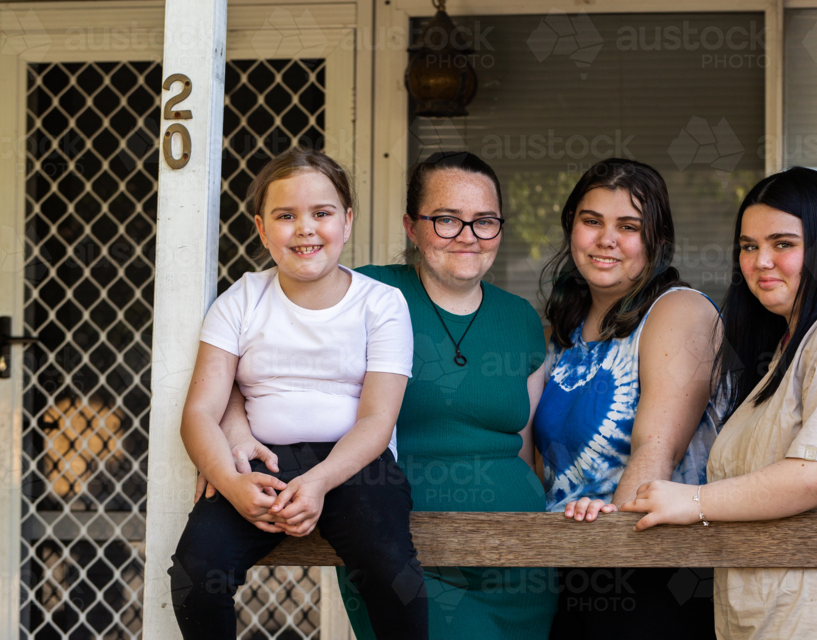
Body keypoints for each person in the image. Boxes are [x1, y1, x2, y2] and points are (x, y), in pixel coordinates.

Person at [208, 151, 558, 638]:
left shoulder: (520, 319)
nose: (467, 236)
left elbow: (524, 446)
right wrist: (234, 434)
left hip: (518, 557)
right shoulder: (365, 294)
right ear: (411, 228)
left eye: (484, 221)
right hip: (400, 551)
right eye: (446, 220)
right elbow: (258, 359)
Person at [622, 166, 817, 639]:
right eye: (749, 246)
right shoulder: (787, 347)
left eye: (782, 244)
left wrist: (694, 500)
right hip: (772, 617)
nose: (761, 261)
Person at [169, 147, 428, 639]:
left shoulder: (381, 304)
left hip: (355, 466)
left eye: (322, 213)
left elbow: (378, 419)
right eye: (285, 216)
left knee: (393, 572)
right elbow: (200, 411)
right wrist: (228, 479)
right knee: (195, 574)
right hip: (259, 465)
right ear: (263, 229)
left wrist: (320, 481)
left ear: (346, 222)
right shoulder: (240, 301)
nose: (305, 228)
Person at [532, 158, 720, 638]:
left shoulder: (678, 310)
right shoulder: (557, 337)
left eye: (629, 226)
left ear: (656, 242)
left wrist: (613, 543)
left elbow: (657, 451)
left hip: (651, 570)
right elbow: (537, 467)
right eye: (591, 221)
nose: (606, 238)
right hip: (566, 569)